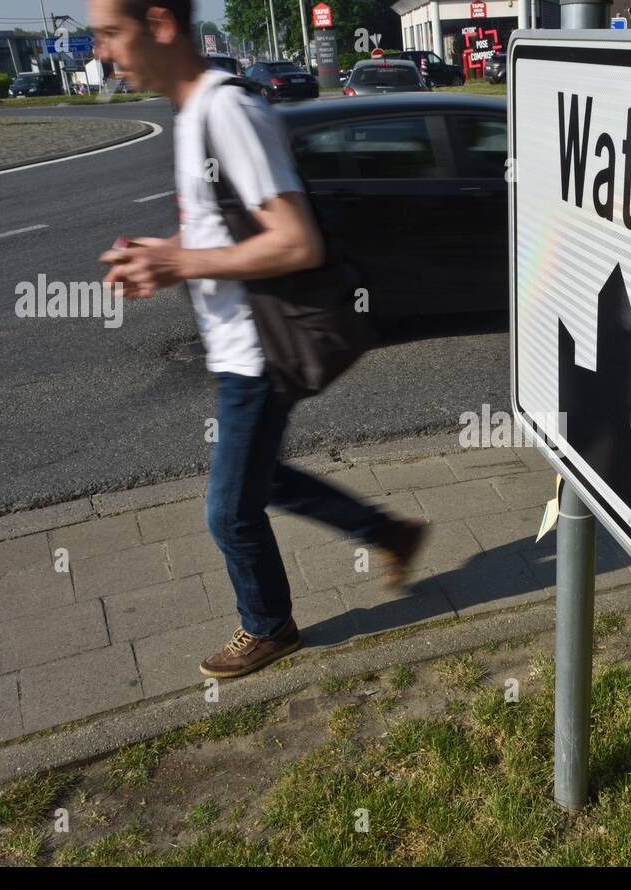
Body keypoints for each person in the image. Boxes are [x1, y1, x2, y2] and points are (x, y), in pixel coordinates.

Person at [90, 0, 427, 679]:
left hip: (258, 350)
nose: (102, 53)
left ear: (159, 23)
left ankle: (268, 626)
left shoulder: (227, 112)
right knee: (258, 478)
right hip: (232, 343)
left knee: (227, 511)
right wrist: (164, 253)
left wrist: (177, 263)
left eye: (110, 34)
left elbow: (295, 241)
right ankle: (388, 532)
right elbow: (223, 229)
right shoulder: (192, 116)